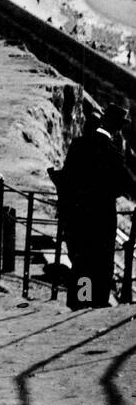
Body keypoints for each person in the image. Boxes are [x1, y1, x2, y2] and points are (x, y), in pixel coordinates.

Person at [56, 102, 136, 308]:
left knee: (81, 263)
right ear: (117, 128)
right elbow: (128, 185)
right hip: (102, 218)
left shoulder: (78, 145)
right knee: (101, 264)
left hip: (78, 216)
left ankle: (80, 302)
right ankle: (96, 305)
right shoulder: (113, 153)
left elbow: (66, 179)